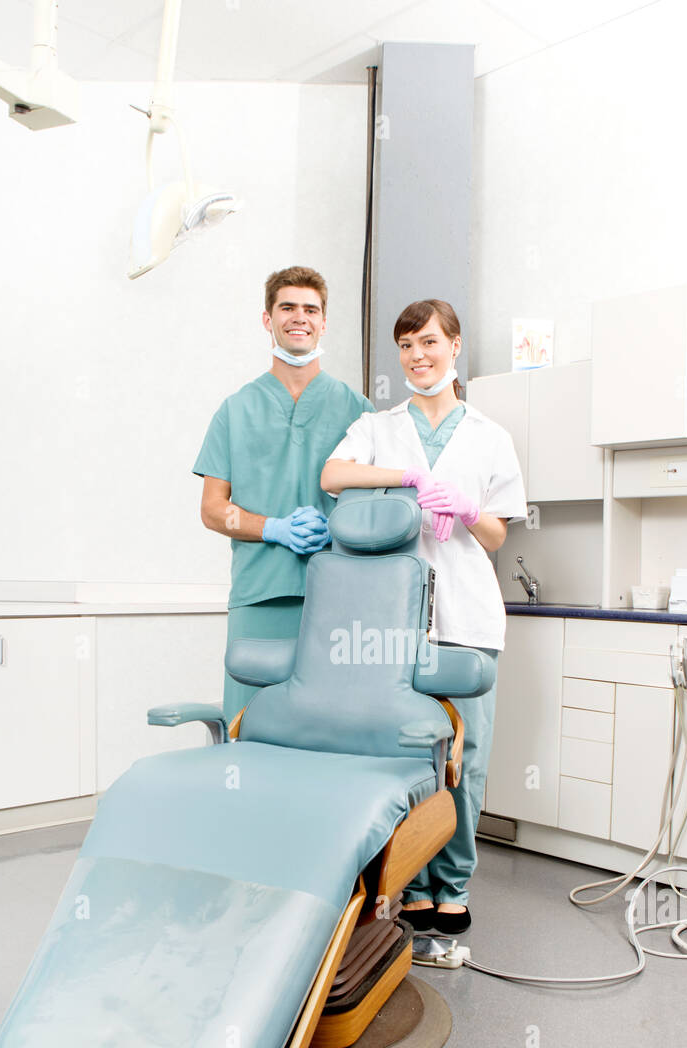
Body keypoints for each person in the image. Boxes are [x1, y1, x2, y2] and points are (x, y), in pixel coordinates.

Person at [321, 299, 528, 933]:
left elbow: (494, 537)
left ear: (455, 346)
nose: (417, 355)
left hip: (465, 620)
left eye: (429, 341)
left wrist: (465, 507)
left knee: (466, 759)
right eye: (407, 344)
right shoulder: (380, 426)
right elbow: (332, 475)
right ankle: (406, 885)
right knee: (405, 758)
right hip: (394, 622)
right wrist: (409, 477)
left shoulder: (491, 437)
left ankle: (453, 886)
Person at [194, 266, 374, 721]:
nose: (300, 318)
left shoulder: (358, 409)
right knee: (249, 723)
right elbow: (214, 510)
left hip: (335, 595)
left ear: (324, 322)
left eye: (310, 309)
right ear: (267, 318)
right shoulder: (235, 410)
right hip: (260, 595)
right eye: (287, 307)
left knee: (329, 726)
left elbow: (377, 506)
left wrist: (335, 530)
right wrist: (273, 529)